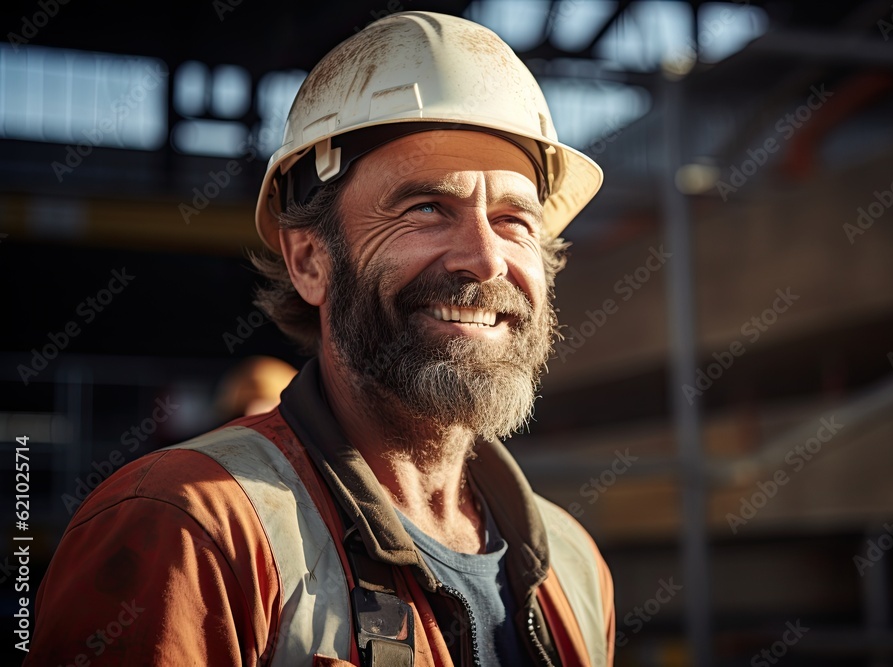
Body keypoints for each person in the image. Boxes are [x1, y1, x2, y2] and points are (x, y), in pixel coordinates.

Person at [27, 11, 614, 667]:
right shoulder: (188, 529)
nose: (485, 258)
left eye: (514, 220)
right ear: (310, 259)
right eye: (426, 208)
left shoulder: (575, 568)